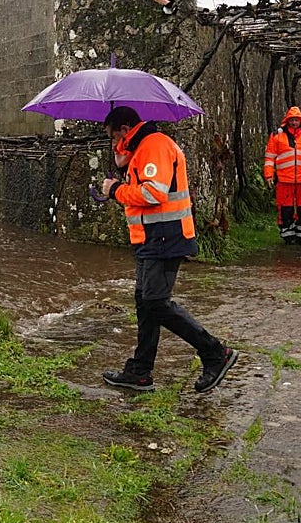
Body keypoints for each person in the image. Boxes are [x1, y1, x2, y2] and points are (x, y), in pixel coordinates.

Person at [98, 105, 238, 393]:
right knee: (144, 302)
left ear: (125, 130)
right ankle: (140, 371)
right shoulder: (142, 147)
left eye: (114, 138)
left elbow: (153, 193)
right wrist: (122, 157)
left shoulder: (154, 145)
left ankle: (214, 353)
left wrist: (114, 190)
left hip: (165, 236)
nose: (114, 144)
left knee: (155, 303)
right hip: (150, 238)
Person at [263, 106, 301, 245]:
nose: (294, 123)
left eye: (296, 120)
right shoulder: (277, 135)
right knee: (285, 209)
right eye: (291, 120)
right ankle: (287, 235)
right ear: (287, 120)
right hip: (284, 180)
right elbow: (269, 158)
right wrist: (269, 175)